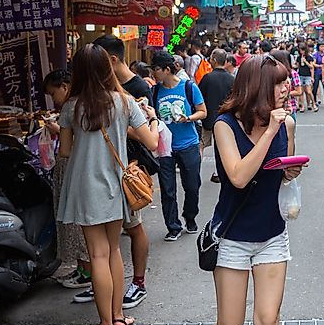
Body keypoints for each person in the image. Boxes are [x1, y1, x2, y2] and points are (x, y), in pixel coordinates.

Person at [208, 55, 305, 325]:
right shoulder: (224, 126)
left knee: (269, 322)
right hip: (233, 236)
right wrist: (270, 133)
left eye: (286, 81)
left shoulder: (287, 124)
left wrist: (291, 171)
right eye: (279, 83)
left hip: (272, 235)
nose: (287, 88)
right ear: (259, 88)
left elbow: (283, 171)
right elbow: (238, 175)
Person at [57, 44, 160, 325]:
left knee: (97, 254)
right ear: (106, 68)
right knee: (114, 250)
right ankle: (117, 318)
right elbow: (152, 143)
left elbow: (64, 151)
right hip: (115, 184)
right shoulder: (124, 102)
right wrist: (152, 120)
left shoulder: (71, 106)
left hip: (84, 186)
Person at [93, 35, 156, 309]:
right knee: (111, 239)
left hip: (128, 168)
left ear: (113, 60)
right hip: (109, 168)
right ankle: (106, 291)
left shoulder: (136, 87)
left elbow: (147, 134)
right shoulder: (107, 89)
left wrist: (115, 123)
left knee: (133, 226)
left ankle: (138, 283)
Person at [152, 49, 207, 241]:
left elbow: (203, 112)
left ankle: (190, 217)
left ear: (167, 69)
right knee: (167, 189)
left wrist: (188, 118)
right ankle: (173, 226)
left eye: (156, 69)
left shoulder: (188, 87)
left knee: (192, 186)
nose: (153, 73)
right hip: (165, 148)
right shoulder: (155, 91)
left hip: (189, 144)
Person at [44, 70, 91, 291]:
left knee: (76, 222)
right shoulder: (95, 101)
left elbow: (65, 149)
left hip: (73, 169)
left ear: (65, 86)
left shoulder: (71, 107)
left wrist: (57, 129)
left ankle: (86, 272)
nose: (53, 99)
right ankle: (83, 269)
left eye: (54, 93)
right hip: (86, 170)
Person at [198, 48, 235, 184]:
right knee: (221, 147)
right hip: (226, 119)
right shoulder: (232, 79)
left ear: (213, 60)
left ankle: (196, 171)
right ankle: (218, 172)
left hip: (207, 118)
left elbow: (199, 98)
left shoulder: (207, 78)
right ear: (225, 61)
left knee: (201, 145)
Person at [296, 45, 316, 112]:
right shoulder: (299, 58)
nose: (301, 52)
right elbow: (297, 66)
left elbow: (311, 67)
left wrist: (305, 62)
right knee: (300, 92)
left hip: (308, 76)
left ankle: (314, 104)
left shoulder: (309, 57)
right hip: (300, 75)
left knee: (309, 91)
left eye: (303, 50)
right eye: (300, 50)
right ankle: (302, 106)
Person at [312, 42, 324, 108]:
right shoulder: (316, 54)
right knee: (315, 87)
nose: (322, 48)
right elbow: (313, 63)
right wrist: (320, 66)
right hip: (317, 72)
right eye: (321, 46)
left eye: (323, 46)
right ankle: (314, 100)